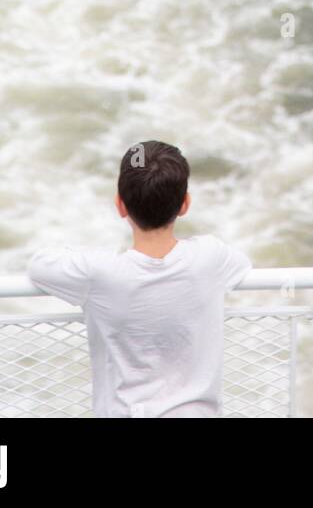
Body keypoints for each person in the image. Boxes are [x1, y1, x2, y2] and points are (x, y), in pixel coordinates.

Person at [27, 140, 251, 418]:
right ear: (185, 204)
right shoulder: (211, 256)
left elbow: (38, 265)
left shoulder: (100, 272)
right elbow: (242, 264)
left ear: (120, 205)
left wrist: (101, 258)